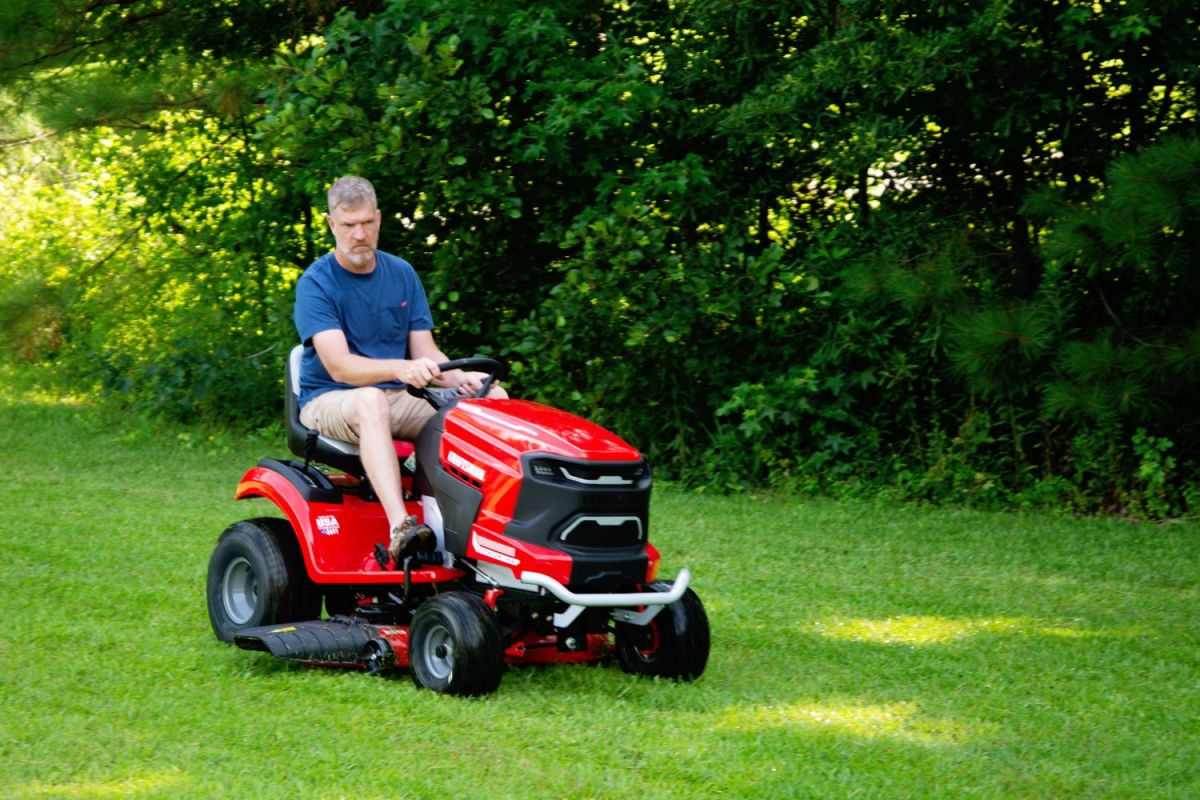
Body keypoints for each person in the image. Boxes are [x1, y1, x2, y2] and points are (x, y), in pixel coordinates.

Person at [293, 175, 506, 564]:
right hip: (330, 399)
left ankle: (488, 528)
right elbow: (340, 369)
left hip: (400, 394)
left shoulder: (402, 274)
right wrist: (402, 367)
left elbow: (426, 353)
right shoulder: (316, 284)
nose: (360, 234)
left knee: (489, 402)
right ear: (331, 225)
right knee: (372, 401)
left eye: (367, 223)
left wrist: (463, 379)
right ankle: (401, 528)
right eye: (348, 225)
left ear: (379, 218)